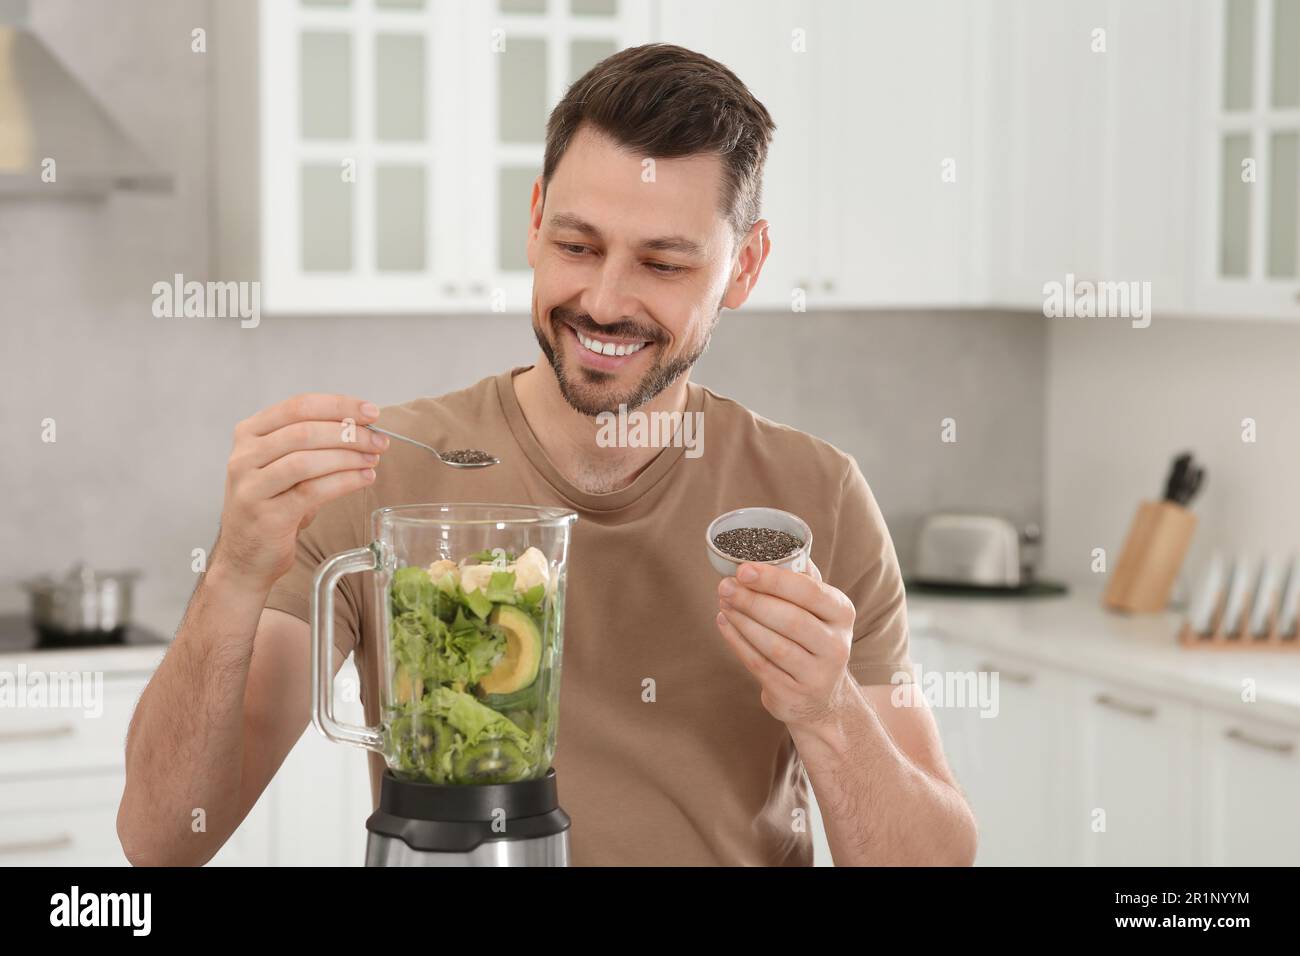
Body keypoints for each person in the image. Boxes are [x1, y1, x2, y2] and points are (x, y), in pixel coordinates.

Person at [118, 43, 976, 866]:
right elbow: (162, 840)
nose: (603, 300)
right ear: (534, 222)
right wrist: (233, 570)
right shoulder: (384, 479)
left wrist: (828, 713)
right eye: (577, 246)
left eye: (663, 264)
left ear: (744, 268)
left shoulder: (814, 498)